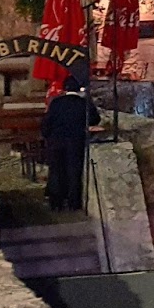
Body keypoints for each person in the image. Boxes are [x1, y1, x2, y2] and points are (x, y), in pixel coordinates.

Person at [41, 74, 99, 212]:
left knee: (56, 170)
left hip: (56, 140)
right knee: (74, 170)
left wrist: (47, 135)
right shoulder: (83, 103)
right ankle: (74, 202)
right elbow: (95, 119)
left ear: (65, 88)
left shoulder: (56, 102)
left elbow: (47, 121)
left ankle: (56, 202)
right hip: (75, 140)